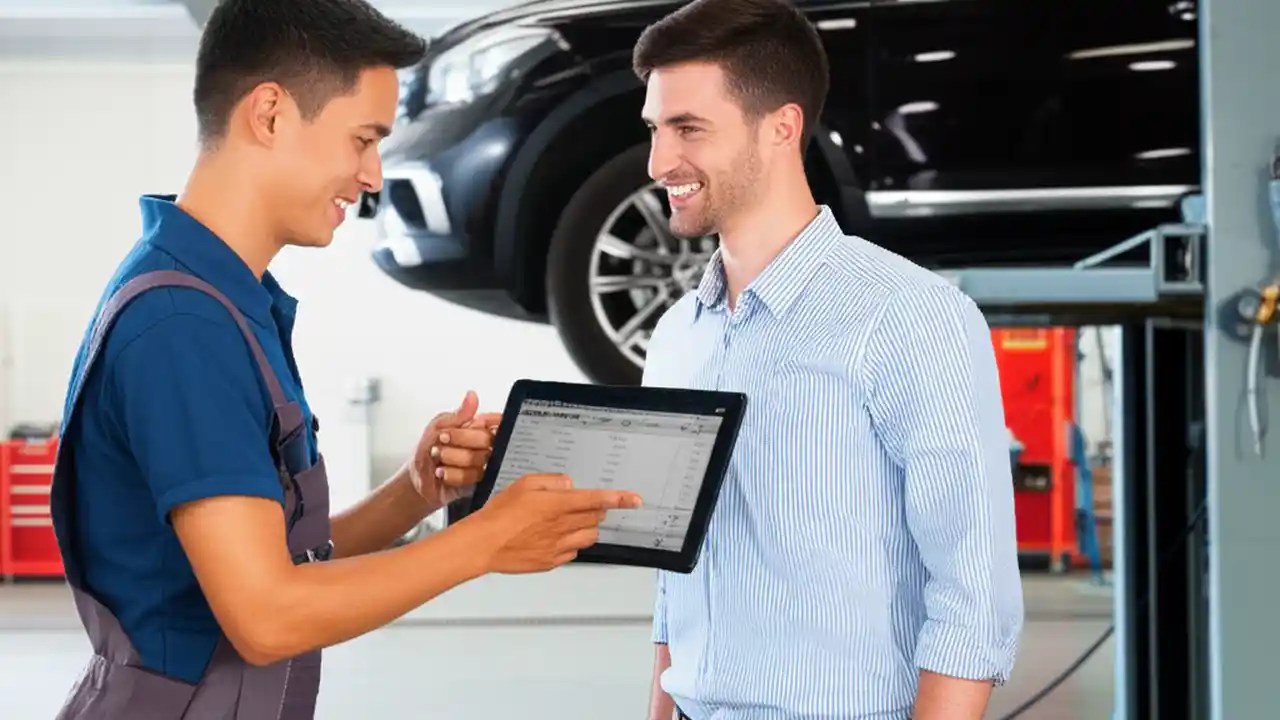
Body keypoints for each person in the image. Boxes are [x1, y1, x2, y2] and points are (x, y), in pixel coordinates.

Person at [48, 1, 641, 717]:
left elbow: (280, 557)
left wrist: (413, 493)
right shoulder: (184, 324)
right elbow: (267, 616)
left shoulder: (225, 301)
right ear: (269, 114)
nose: (372, 175)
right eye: (363, 139)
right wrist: (484, 542)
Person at [632, 1, 1024, 718]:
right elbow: (677, 574)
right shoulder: (677, 336)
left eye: (689, 129)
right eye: (656, 129)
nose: (660, 162)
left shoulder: (905, 316)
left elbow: (975, 593)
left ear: (782, 127)